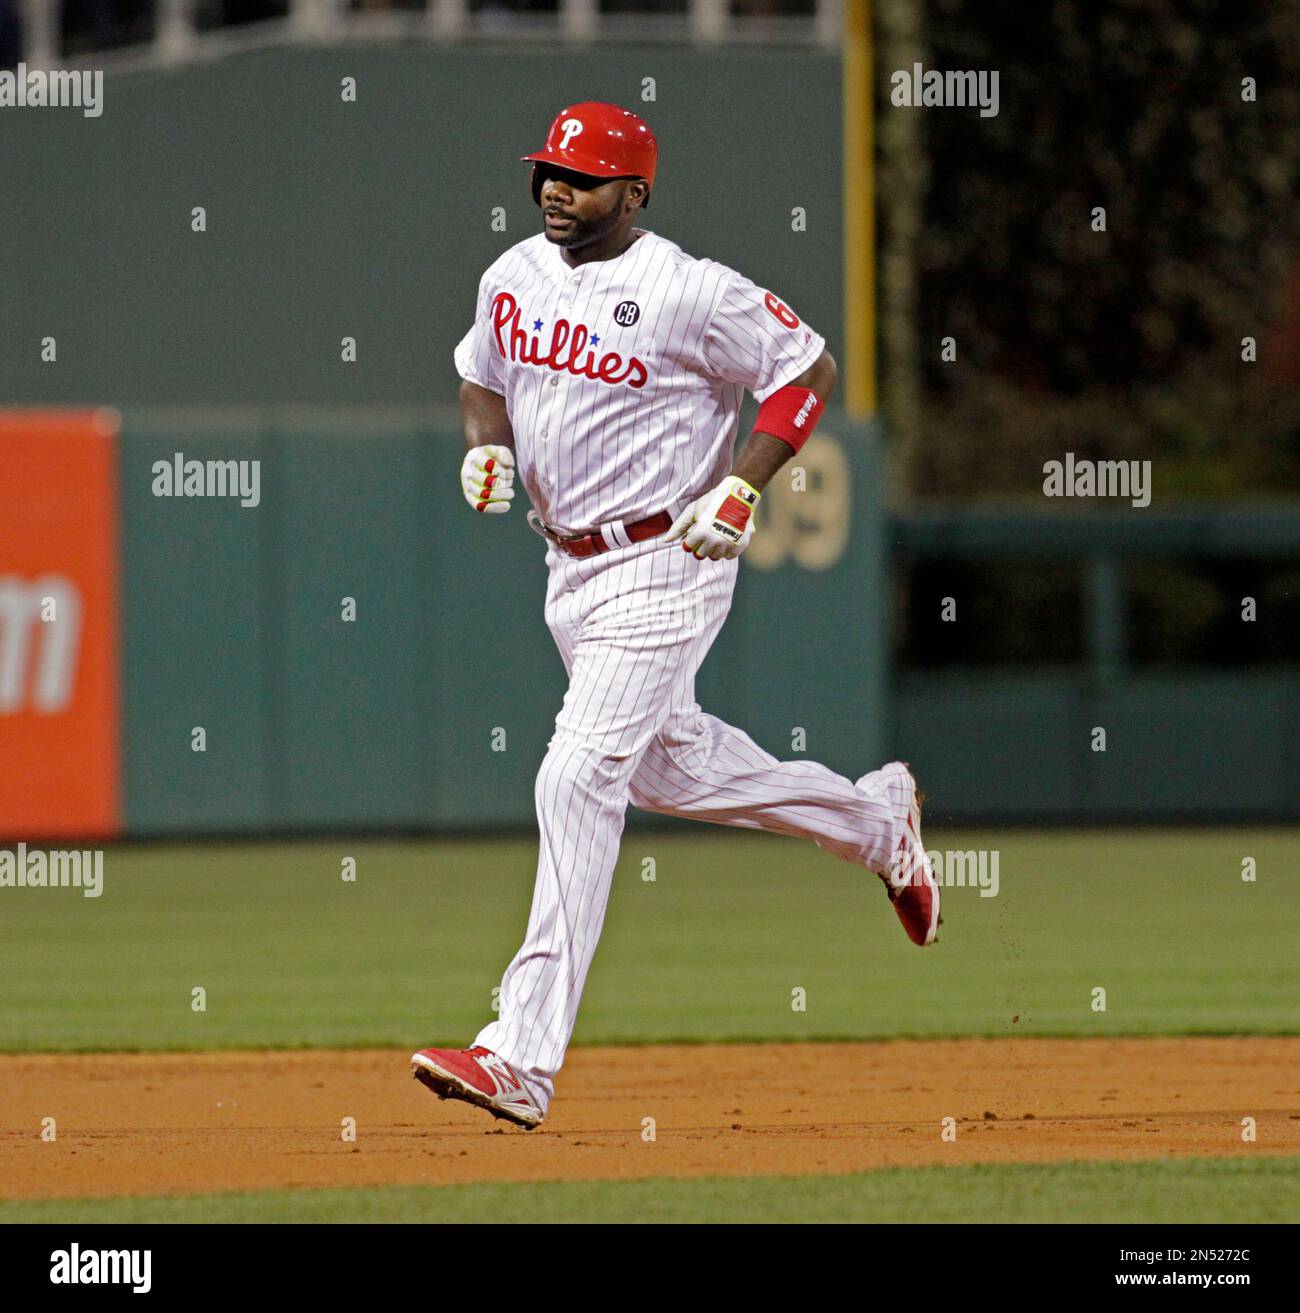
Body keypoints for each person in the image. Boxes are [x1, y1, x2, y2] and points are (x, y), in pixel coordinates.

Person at [411, 102, 940, 1130]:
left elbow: (807, 370)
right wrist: (486, 443)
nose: (557, 189)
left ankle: (518, 1055)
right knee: (668, 764)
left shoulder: (688, 290)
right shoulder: (512, 274)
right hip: (568, 568)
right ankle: (877, 823)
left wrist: (744, 484)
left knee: (577, 773)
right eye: (548, 172)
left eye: (582, 175)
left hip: (667, 556)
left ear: (635, 192)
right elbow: (481, 370)